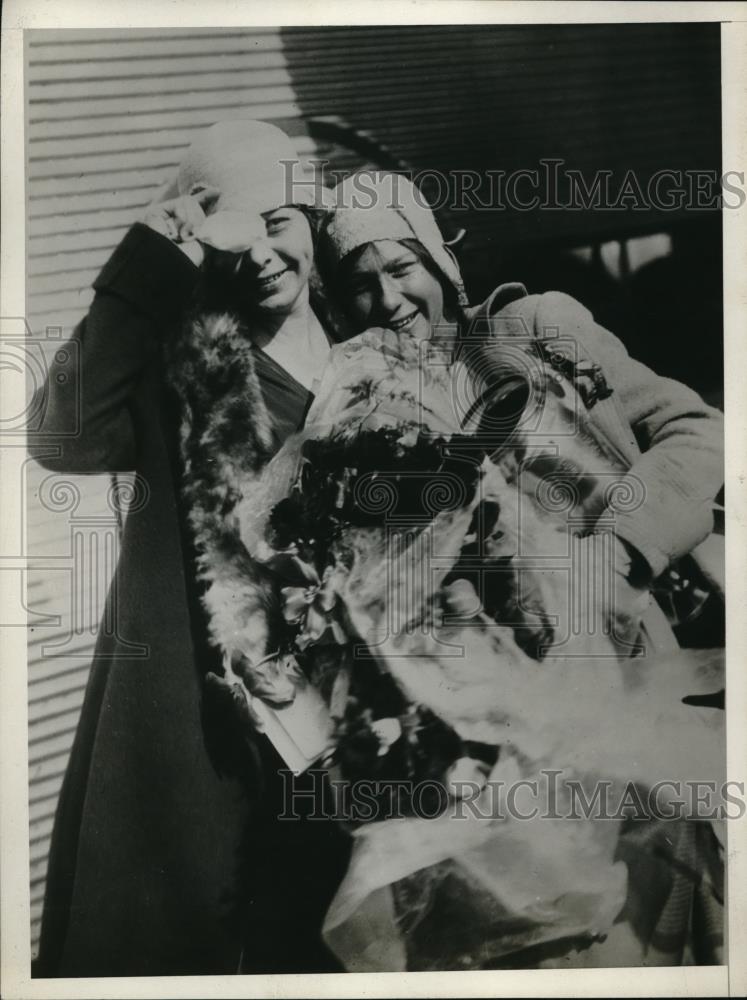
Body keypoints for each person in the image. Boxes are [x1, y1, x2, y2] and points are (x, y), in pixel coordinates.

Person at [298, 171, 725, 968]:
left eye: (400, 268)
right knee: (579, 941)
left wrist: (616, 554)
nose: (386, 299)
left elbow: (698, 434)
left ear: (439, 263)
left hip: (637, 684)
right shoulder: (365, 414)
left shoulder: (530, 330)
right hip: (507, 747)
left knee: (684, 919)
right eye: (359, 285)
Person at [30, 120, 349, 978]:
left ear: (312, 224)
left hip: (359, 710)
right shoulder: (187, 364)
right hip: (226, 715)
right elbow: (63, 440)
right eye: (242, 235)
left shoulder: (370, 346)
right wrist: (146, 259)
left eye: (282, 223)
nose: (265, 256)